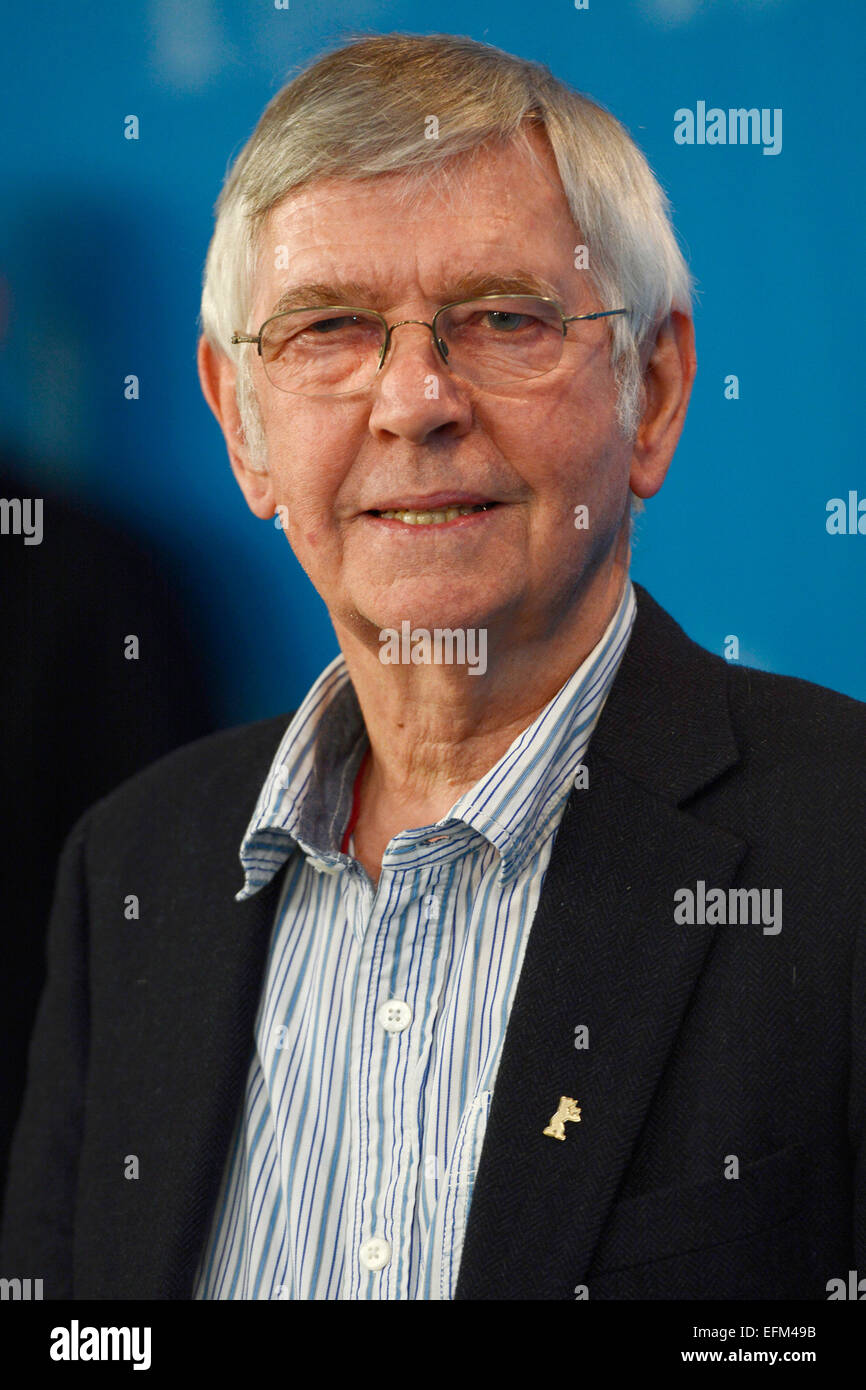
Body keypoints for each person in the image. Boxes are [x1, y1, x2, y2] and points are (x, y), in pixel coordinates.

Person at [2, 31, 863, 1301]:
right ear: (240, 423)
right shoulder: (128, 868)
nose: (414, 400)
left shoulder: (840, 841)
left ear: (656, 390)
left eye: (503, 317)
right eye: (328, 328)